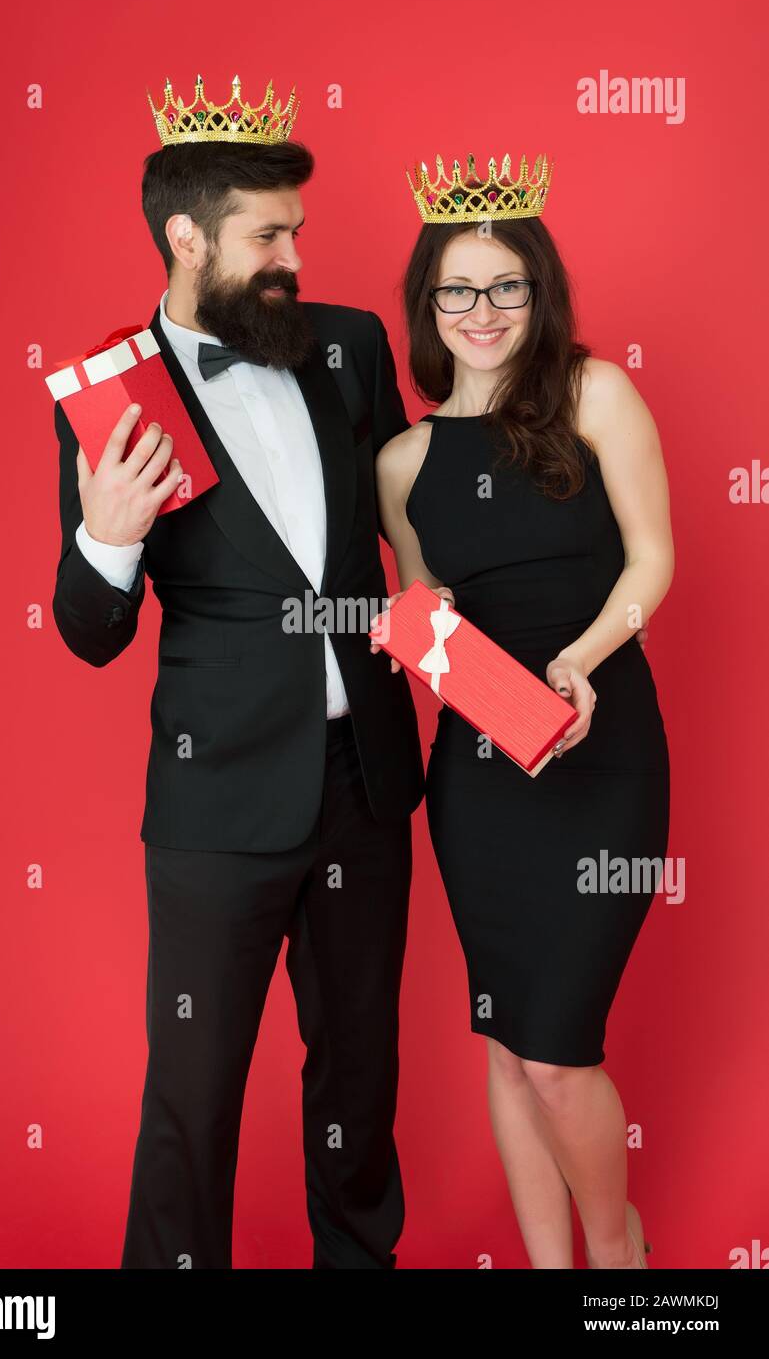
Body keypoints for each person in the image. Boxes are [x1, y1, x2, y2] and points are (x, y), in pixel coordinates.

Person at [51, 72, 424, 1268]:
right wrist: (105, 533)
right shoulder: (115, 395)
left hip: (364, 782)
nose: (291, 260)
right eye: (267, 236)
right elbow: (90, 632)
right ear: (185, 234)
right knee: (195, 1092)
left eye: (295, 235)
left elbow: (401, 552)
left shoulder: (352, 348)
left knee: (359, 1080)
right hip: (218, 801)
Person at [373, 152, 673, 1269]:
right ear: (427, 303)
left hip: (606, 755)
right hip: (481, 776)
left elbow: (653, 558)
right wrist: (418, 618)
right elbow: (424, 615)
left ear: (538, 294)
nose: (482, 311)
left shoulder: (595, 393)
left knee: (557, 1051)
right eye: (458, 288)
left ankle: (616, 1256)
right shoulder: (401, 464)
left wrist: (584, 659)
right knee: (506, 1042)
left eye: (507, 286)